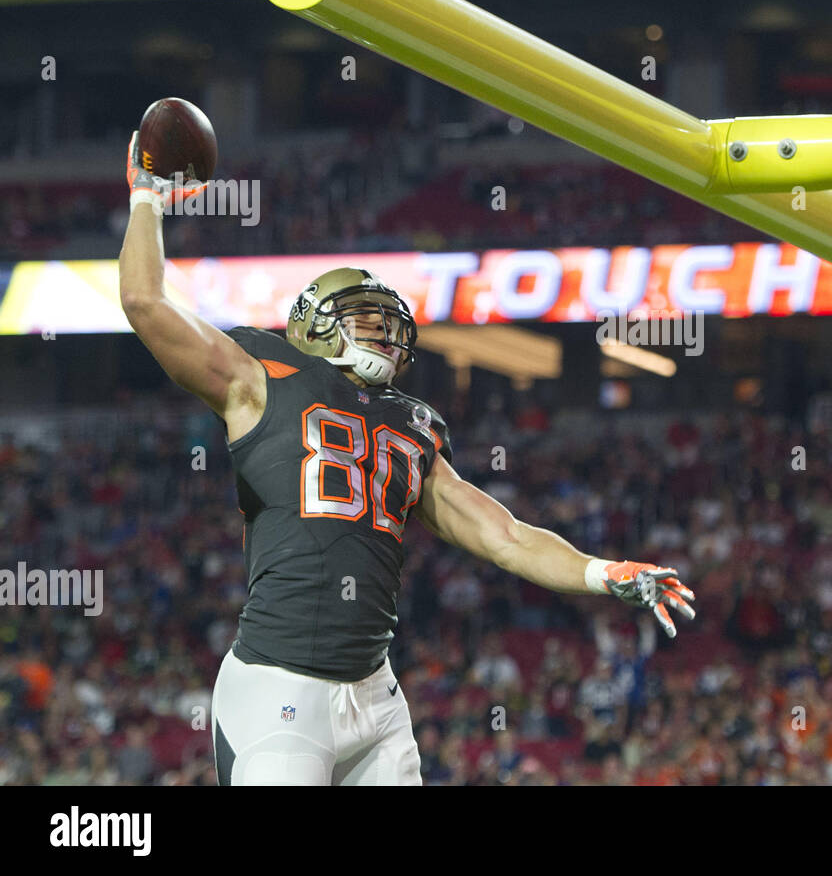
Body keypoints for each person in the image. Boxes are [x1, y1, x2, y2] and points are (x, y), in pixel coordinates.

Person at [117, 133, 695, 785]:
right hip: (282, 686)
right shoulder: (262, 375)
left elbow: (502, 534)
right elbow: (145, 302)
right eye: (366, 320)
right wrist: (146, 198)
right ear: (314, 324)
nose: (385, 335)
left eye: (390, 324)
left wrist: (600, 571)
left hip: (376, 694)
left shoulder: (411, 423)